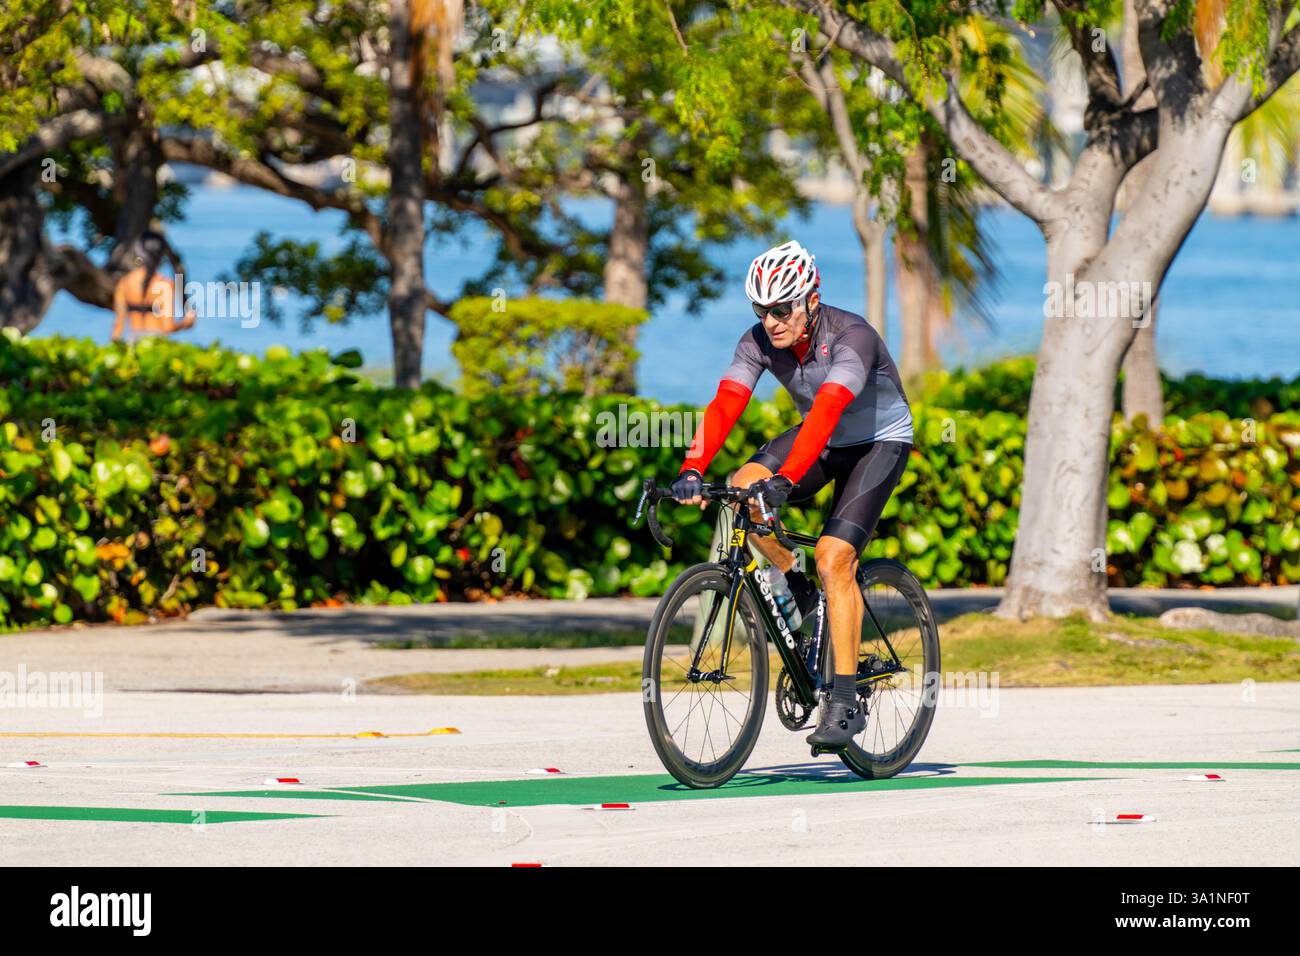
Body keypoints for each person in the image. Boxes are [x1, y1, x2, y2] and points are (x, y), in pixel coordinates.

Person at [671, 239, 913, 748]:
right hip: (820, 440)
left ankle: (844, 702)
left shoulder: (852, 337)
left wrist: (783, 481)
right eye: (762, 310)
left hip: (877, 444)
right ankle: (795, 582)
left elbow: (827, 412)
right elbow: (725, 404)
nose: (772, 321)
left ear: (811, 299)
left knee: (834, 558)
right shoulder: (757, 340)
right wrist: (692, 467)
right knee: (741, 488)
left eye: (783, 309)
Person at [111, 230, 195, 342]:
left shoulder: (125, 282)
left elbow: (118, 326)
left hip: (131, 342)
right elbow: (167, 327)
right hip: (156, 345)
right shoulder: (165, 284)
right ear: (161, 256)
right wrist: (186, 323)